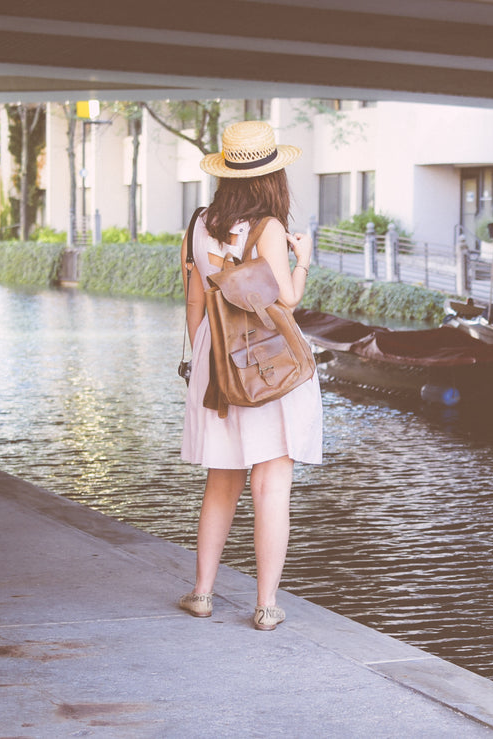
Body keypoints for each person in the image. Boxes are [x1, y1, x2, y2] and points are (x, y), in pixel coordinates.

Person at [178, 120, 322, 631]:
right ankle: (265, 606)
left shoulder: (198, 223)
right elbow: (287, 298)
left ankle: (201, 593)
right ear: (272, 177)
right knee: (271, 482)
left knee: (222, 480)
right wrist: (302, 260)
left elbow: (195, 303)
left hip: (215, 364)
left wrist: (201, 358)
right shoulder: (270, 228)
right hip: (267, 365)